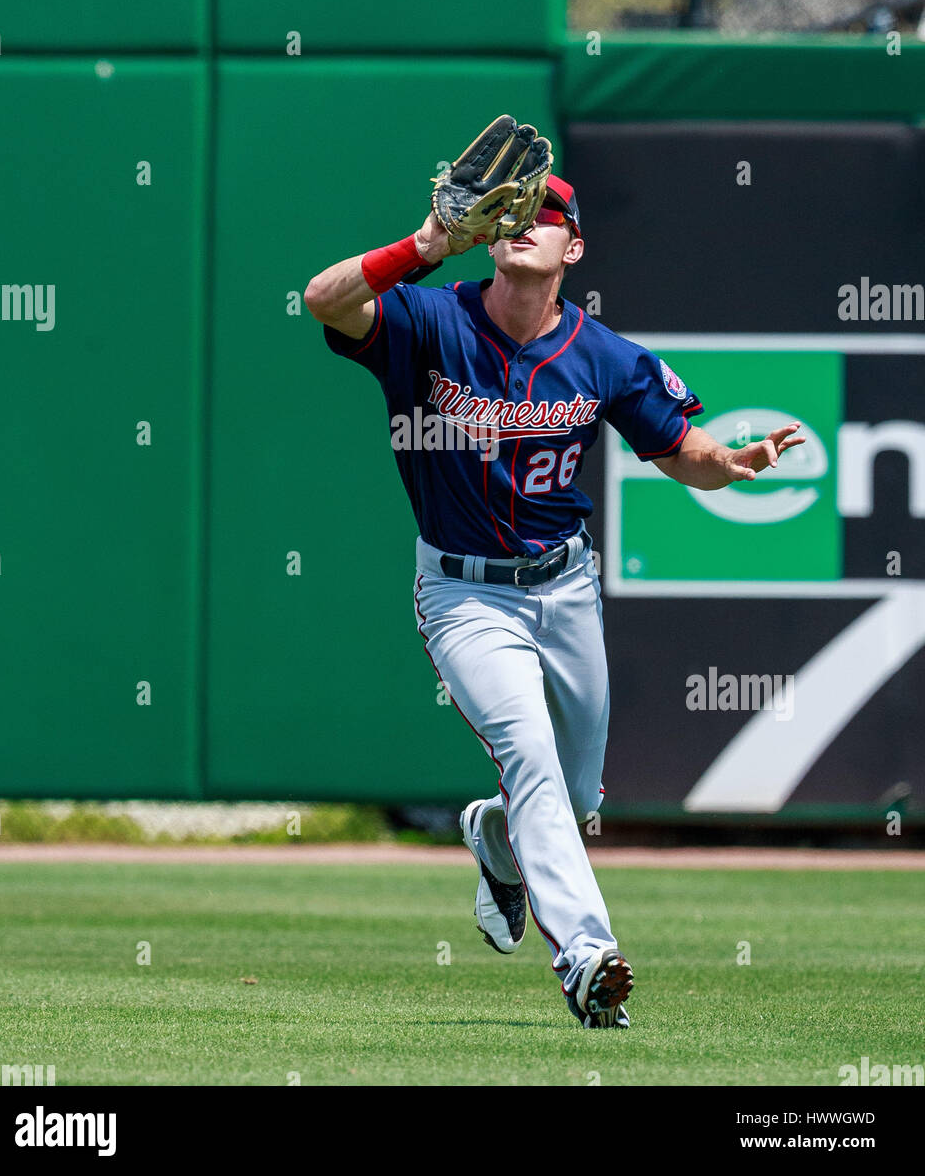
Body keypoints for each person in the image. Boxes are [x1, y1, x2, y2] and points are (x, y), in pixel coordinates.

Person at [304, 171, 804, 1028]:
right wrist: (425, 246)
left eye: (548, 214)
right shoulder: (431, 321)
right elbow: (323, 300)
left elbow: (681, 448)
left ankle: (496, 839)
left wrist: (737, 463)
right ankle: (587, 955)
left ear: (572, 248)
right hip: (464, 595)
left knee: (575, 802)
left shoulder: (601, 354)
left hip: (566, 588)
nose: (526, 221)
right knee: (528, 751)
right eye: (513, 208)